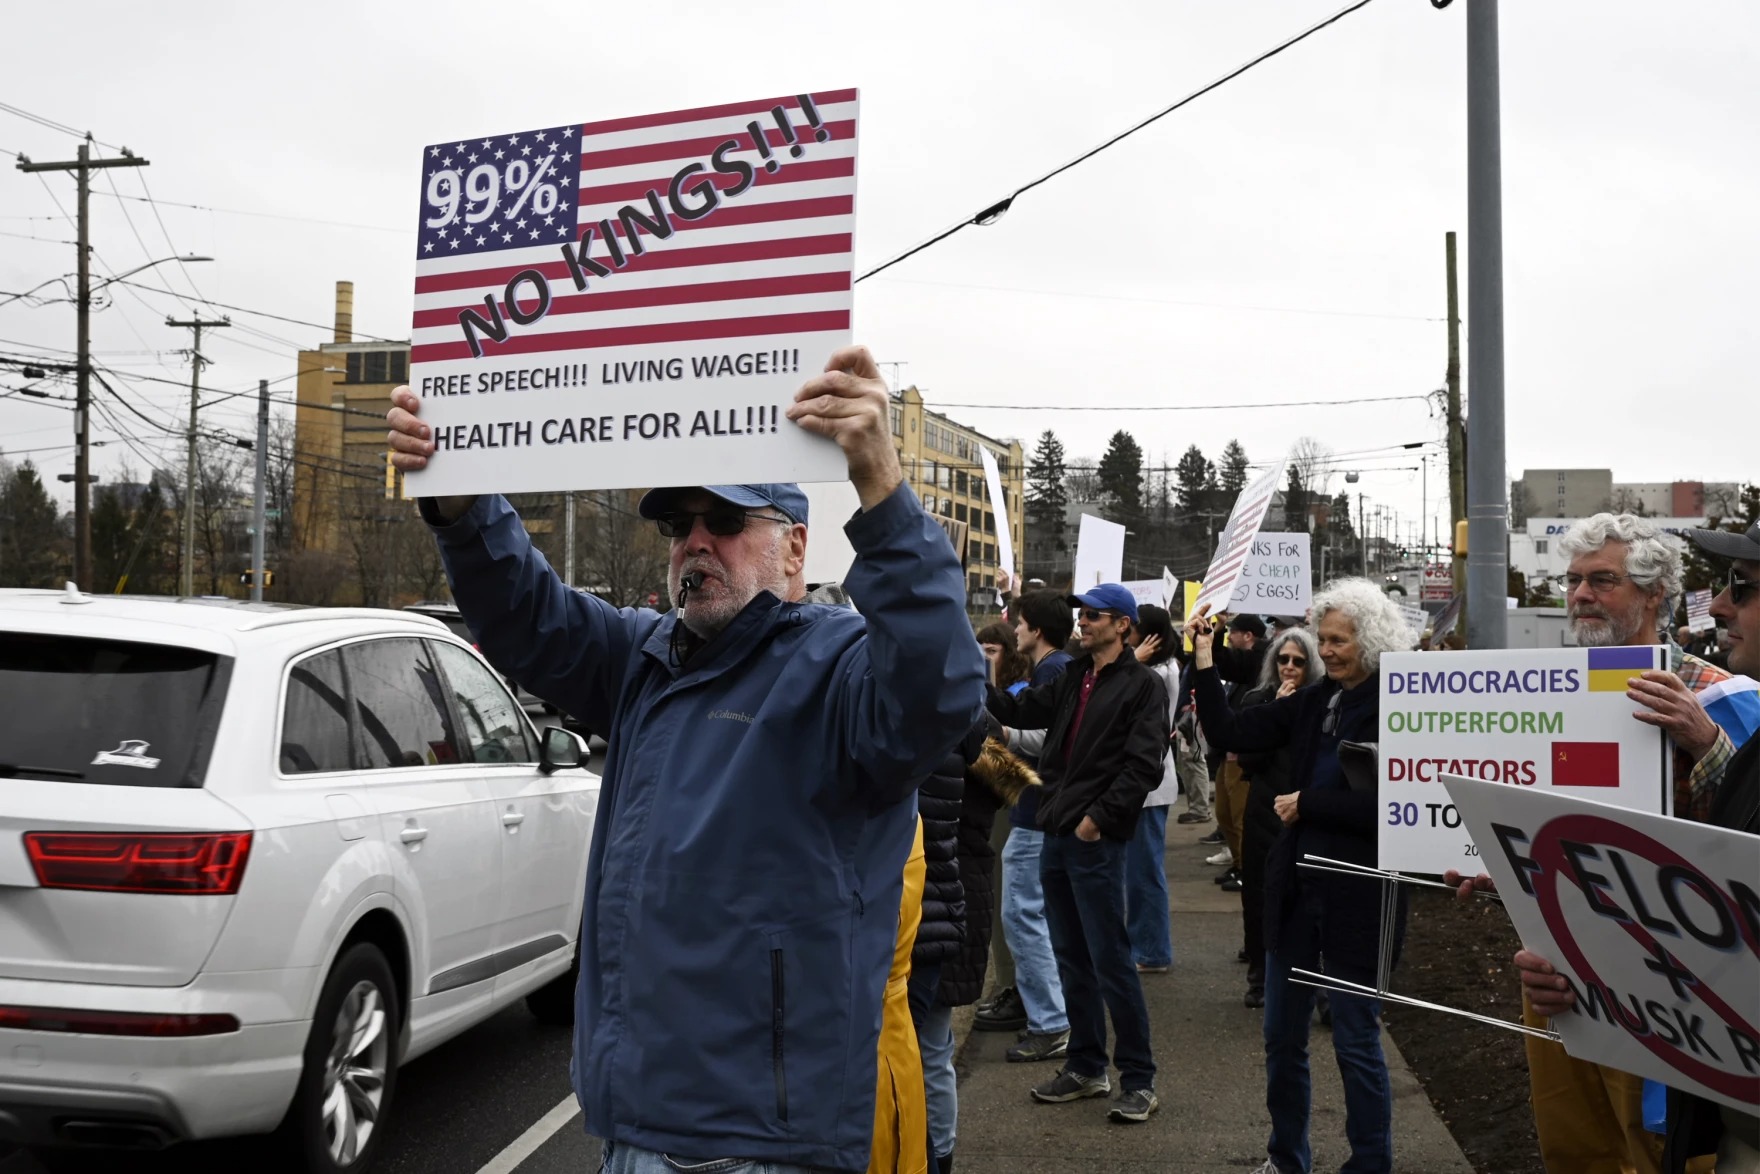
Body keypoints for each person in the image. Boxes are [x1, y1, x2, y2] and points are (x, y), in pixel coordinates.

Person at [384, 345, 987, 1174]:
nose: (695, 543)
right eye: (678, 526)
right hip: (632, 1126)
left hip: (765, 1143)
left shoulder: (839, 667)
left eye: (726, 522)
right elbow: (529, 614)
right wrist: (461, 504)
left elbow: (940, 688)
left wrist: (880, 485)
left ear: (795, 549)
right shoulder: (644, 654)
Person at [1448, 513, 1743, 1174]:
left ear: (1654, 594)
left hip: (1666, 985)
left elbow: (1743, 849)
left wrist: (1706, 744)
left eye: (1602, 580)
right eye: (1574, 580)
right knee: (1575, 1150)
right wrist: (1492, 865)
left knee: (1662, 1153)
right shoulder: (1549, 693)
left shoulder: (1718, 698)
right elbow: (1540, 829)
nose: (1579, 595)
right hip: (1555, 971)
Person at [1190, 579, 1415, 1174]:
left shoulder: (1404, 706)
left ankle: (1370, 1164)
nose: (1327, 649)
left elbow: (1403, 809)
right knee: (1281, 1039)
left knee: (1355, 1041)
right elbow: (1234, 735)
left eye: (1338, 640)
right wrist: (1205, 660)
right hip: (1295, 892)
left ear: (1371, 640)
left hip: (1360, 894)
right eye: (1324, 637)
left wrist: (1308, 803)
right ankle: (1286, 1157)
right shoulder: (1316, 700)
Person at [986, 583, 1168, 1124]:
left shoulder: (1142, 687)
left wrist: (1096, 822)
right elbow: (1016, 707)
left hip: (1092, 838)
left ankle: (1139, 1078)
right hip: (1057, 830)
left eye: (1094, 616)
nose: (1083, 623)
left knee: (1111, 958)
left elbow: (1142, 767)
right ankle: (1087, 1066)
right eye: (1081, 615)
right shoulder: (1072, 677)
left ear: (1123, 626)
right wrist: (971, 670)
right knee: (1070, 955)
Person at [924, 728, 1039, 1174]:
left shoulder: (950, 731)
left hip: (943, 894)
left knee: (929, 1047)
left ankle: (936, 1156)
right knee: (931, 1047)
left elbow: (1011, 783)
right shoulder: (964, 728)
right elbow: (1013, 784)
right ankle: (936, 1154)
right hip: (953, 891)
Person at [974, 590, 1075, 1063]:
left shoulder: (1054, 669)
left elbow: (1049, 737)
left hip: (1037, 810)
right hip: (1035, 809)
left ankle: (1050, 1023)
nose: (1014, 630)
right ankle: (1050, 1016)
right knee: (1027, 915)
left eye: (1020, 624)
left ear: (1035, 630)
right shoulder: (1054, 668)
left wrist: (1004, 733)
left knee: (1020, 916)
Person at [1233, 627, 1324, 1010]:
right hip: (1263, 809)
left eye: (1298, 662)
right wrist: (1274, 714)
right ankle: (1260, 978)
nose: (1289, 667)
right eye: (1283, 659)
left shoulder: (1321, 704)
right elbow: (1246, 760)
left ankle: (1316, 986)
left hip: (1305, 812)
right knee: (1257, 896)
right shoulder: (1258, 698)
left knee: (1309, 900)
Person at [1127, 603, 1183, 973]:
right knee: (1137, 871)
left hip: (1149, 786)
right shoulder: (1155, 667)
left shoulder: (1158, 672)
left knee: (1145, 872)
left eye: (1131, 628)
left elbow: (1114, 682)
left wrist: (1132, 659)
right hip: (1146, 783)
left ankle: (1152, 951)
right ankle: (1145, 946)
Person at [1207, 614, 1270, 887]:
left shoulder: (1261, 660)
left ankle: (1248, 870)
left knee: (1241, 816)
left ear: (1249, 635)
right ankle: (1238, 864)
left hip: (1243, 754)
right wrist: (1217, 632)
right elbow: (1219, 663)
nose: (1231, 637)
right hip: (1228, 750)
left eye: (1233, 632)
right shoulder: (1245, 666)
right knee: (1224, 814)